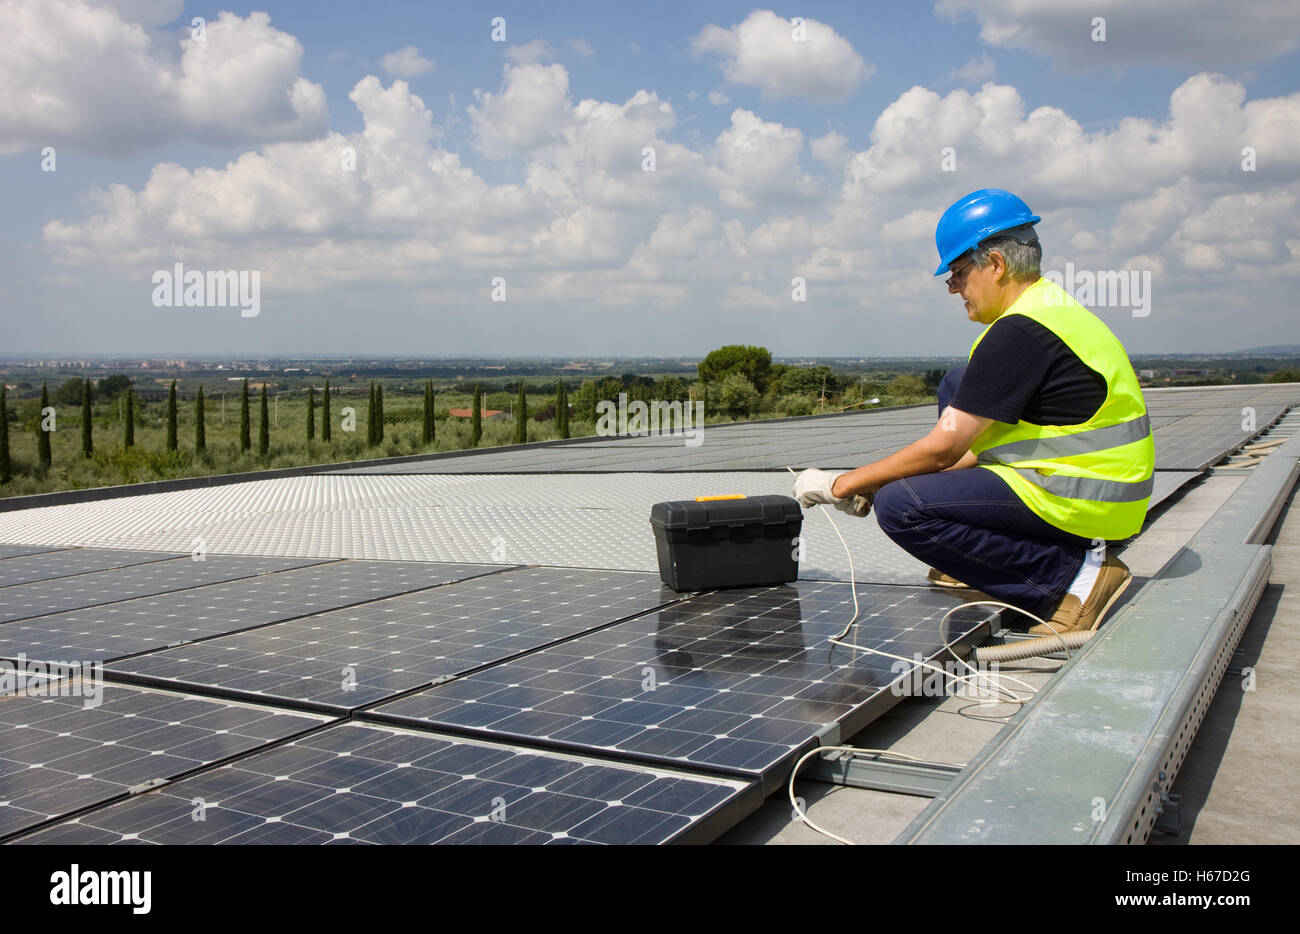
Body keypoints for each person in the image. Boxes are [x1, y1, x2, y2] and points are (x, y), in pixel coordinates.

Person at [793, 189, 1154, 635]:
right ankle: (985, 563)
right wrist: (882, 475)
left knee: (902, 506)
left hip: (1086, 502)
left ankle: (1074, 579)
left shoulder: (1020, 332)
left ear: (996, 265)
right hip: (1102, 491)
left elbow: (945, 451)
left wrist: (842, 483)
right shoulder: (1049, 309)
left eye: (958, 274)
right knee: (958, 383)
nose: (953, 289)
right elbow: (963, 450)